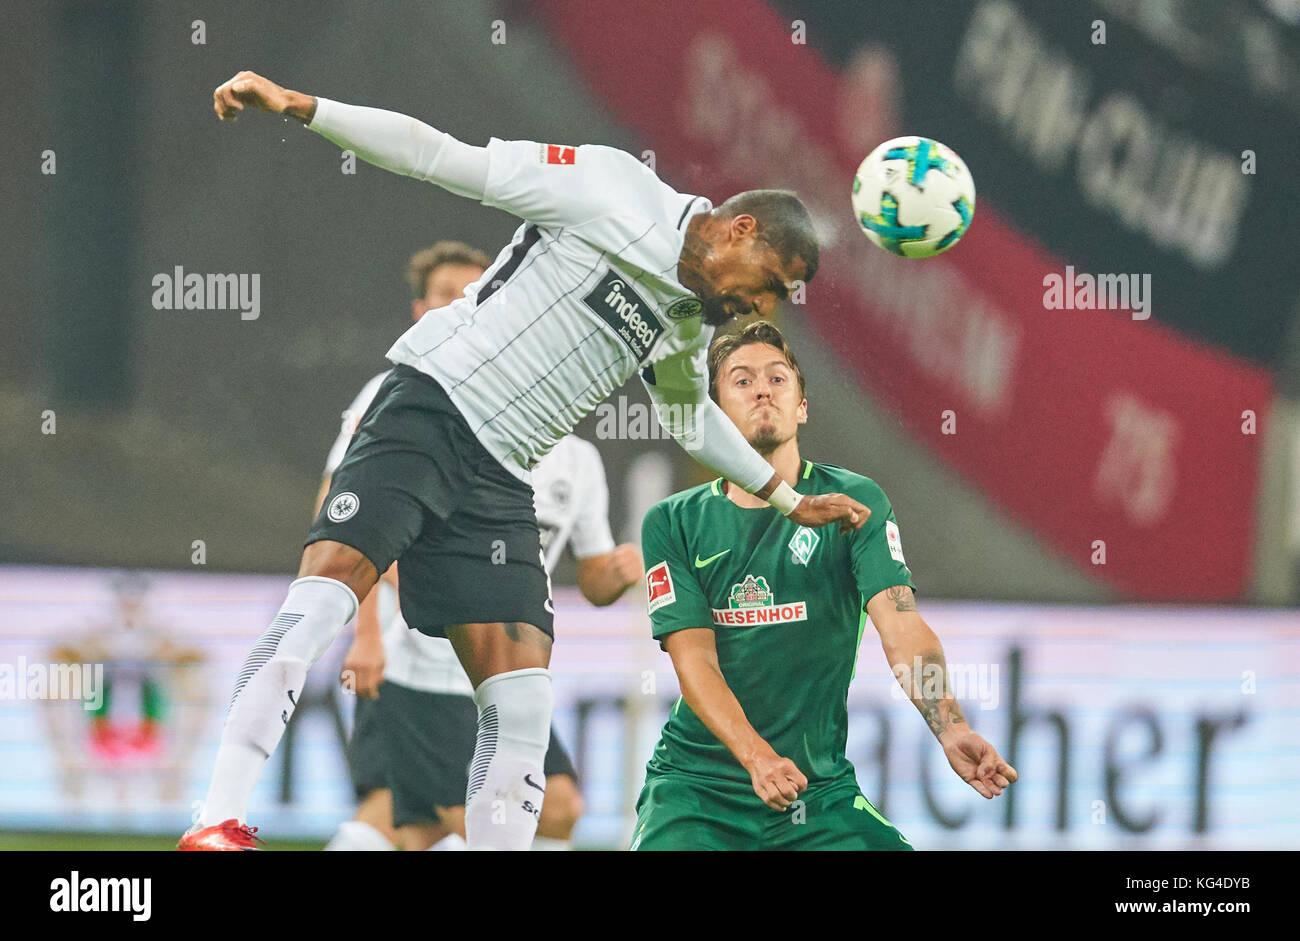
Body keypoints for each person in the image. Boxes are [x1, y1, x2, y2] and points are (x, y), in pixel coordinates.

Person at [181, 71, 868, 851]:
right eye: (770, 287)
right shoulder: (612, 186)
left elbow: (686, 417)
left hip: (501, 474)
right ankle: (216, 823)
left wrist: (787, 497)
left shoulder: (683, 320)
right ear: (739, 230)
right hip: (431, 406)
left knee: (524, 700)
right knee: (325, 599)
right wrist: (307, 109)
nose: (761, 309)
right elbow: (442, 157)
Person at [630, 322, 1018, 850]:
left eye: (777, 377)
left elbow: (902, 628)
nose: (763, 388)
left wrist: (950, 728)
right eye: (741, 381)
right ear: (714, 415)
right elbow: (694, 662)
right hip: (698, 791)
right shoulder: (672, 523)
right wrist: (757, 758)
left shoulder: (853, 502)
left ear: (802, 407)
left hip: (816, 794)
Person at [322, 242, 641, 852]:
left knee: (453, 819)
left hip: (508, 672)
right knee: (476, 823)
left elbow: (595, 581)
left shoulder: (577, 460)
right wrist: (365, 634)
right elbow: (347, 521)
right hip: (423, 666)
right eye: (449, 295)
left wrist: (620, 571)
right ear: (421, 311)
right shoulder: (407, 403)